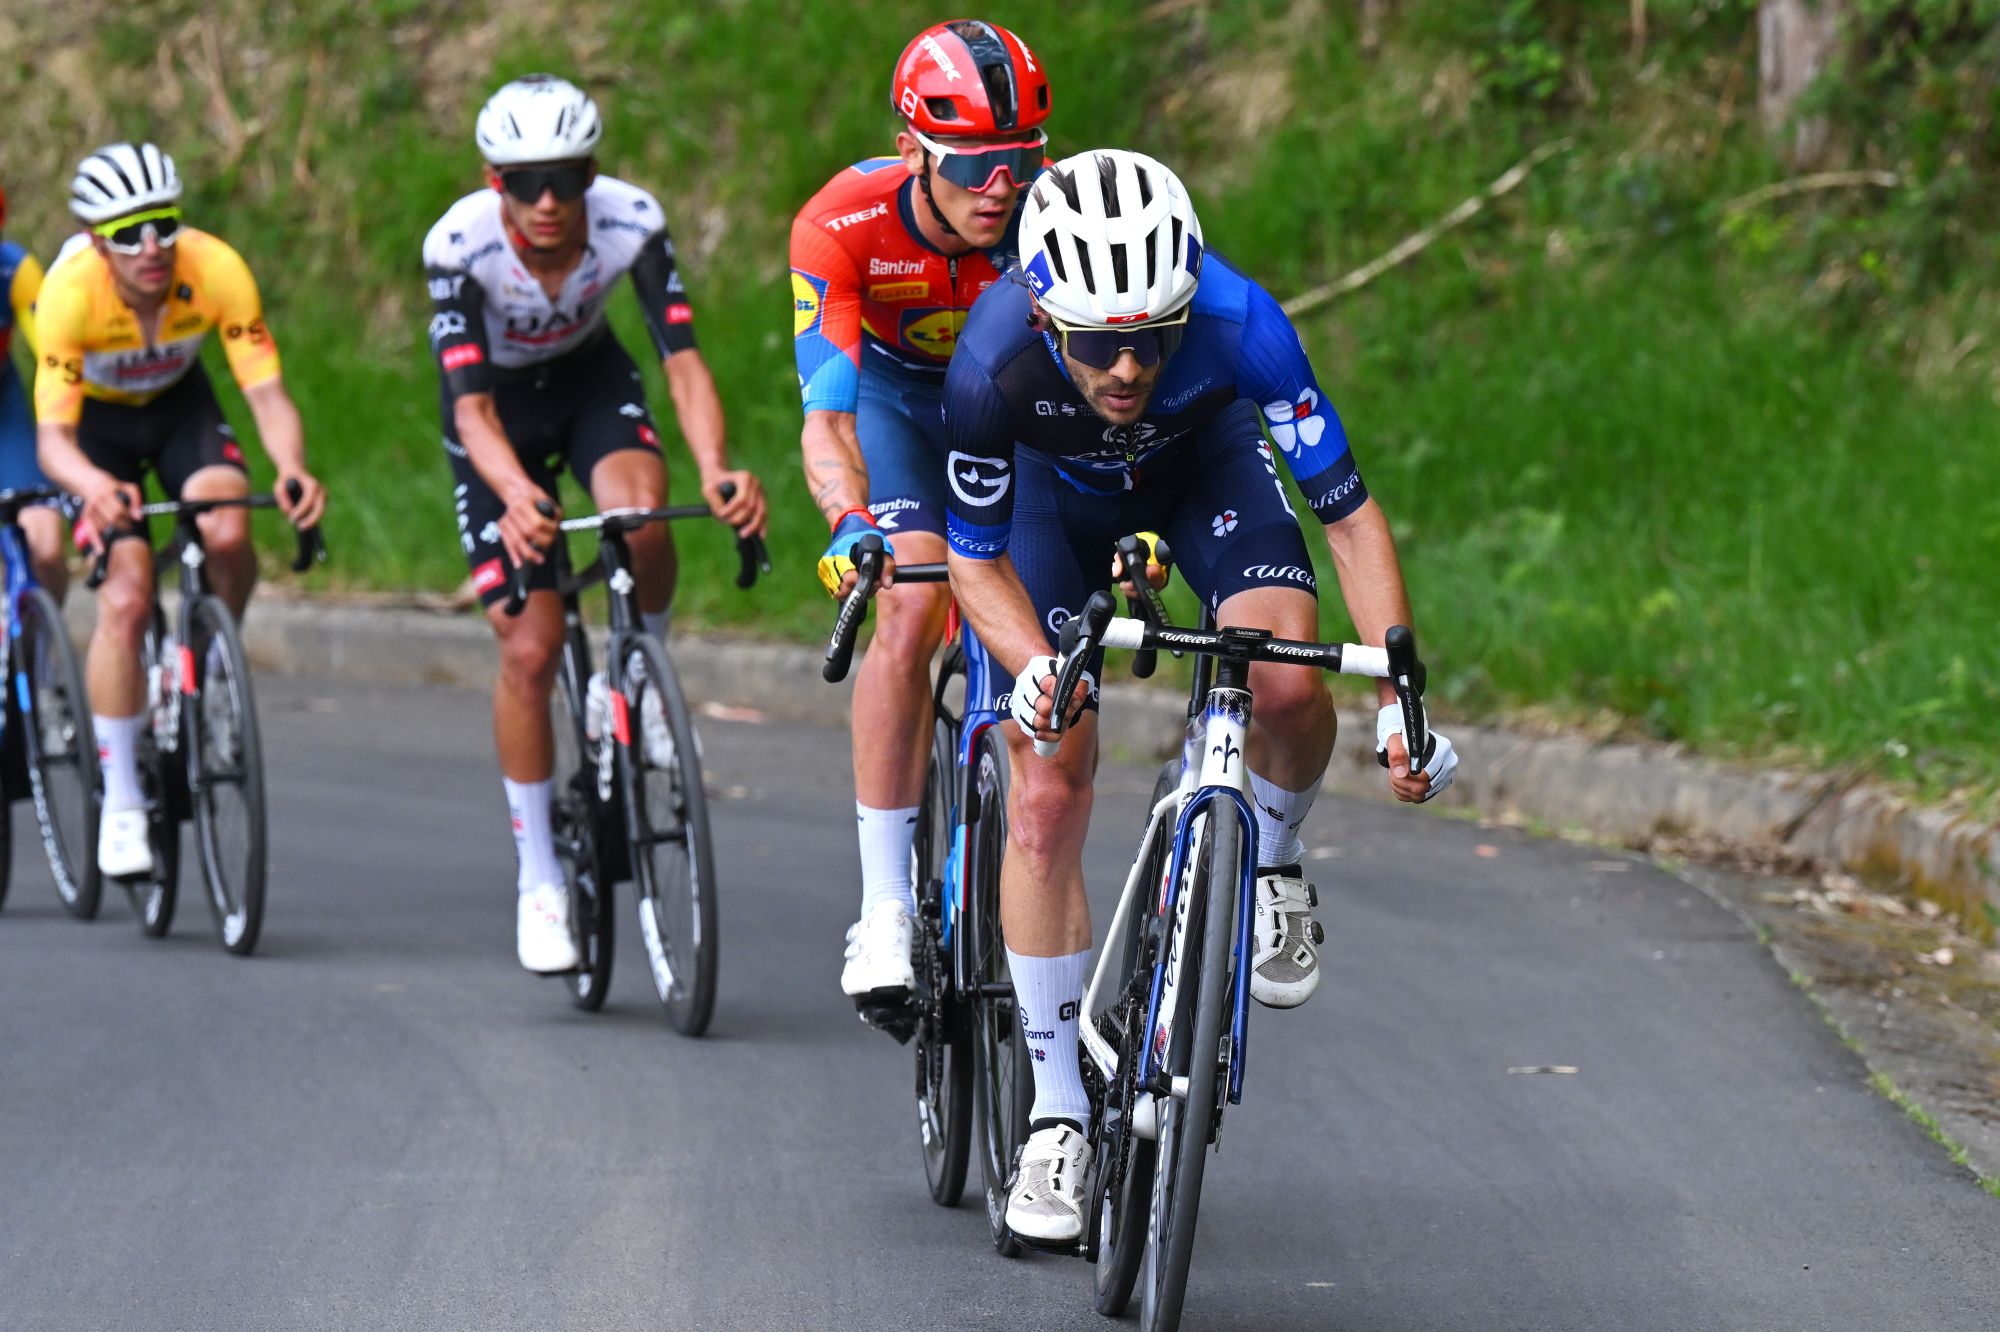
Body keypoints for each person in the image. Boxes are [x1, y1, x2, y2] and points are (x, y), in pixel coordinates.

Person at [940, 149, 1461, 1243]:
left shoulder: (1240, 321)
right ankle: (1055, 1117)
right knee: (1044, 785)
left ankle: (1268, 851)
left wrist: (1399, 701)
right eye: (1096, 344)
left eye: (1151, 337)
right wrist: (1035, 666)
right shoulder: (988, 362)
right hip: (1046, 501)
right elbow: (972, 562)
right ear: (1043, 313)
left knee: (1280, 673)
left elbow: (1348, 518)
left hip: (1201, 470)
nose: (1126, 367)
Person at [423, 74, 766, 974]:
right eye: (524, 181)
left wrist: (719, 466)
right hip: (494, 415)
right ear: (493, 180)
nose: (547, 202)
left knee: (641, 519)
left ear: (592, 173)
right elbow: (467, 413)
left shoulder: (630, 220)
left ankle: (642, 675)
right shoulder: (456, 246)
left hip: (587, 384)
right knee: (530, 649)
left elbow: (681, 363)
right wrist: (516, 495)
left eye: (566, 178)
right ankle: (539, 874)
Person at [791, 19, 1049, 1007]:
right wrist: (845, 519)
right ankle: (885, 909)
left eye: (1017, 160)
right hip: (896, 406)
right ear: (911, 149)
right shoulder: (841, 223)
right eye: (972, 162)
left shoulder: (1046, 215)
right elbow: (827, 414)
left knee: (1036, 605)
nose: (999, 187)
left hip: (1013, 407)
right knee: (902, 600)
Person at [34, 143, 326, 879]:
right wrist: (94, 489)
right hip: (95, 432)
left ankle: (213, 665)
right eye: (129, 233)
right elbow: (54, 441)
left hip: (179, 409)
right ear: (98, 241)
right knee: (126, 597)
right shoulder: (69, 296)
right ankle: (125, 801)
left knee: (229, 529)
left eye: (163, 223)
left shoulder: (215, 269)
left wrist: (292, 467)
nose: (153, 246)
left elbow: (264, 391)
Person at [0, 180, 67, 595]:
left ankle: (40, 648)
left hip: (5, 411)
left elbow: (54, 352)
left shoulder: (14, 269)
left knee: (46, 545)